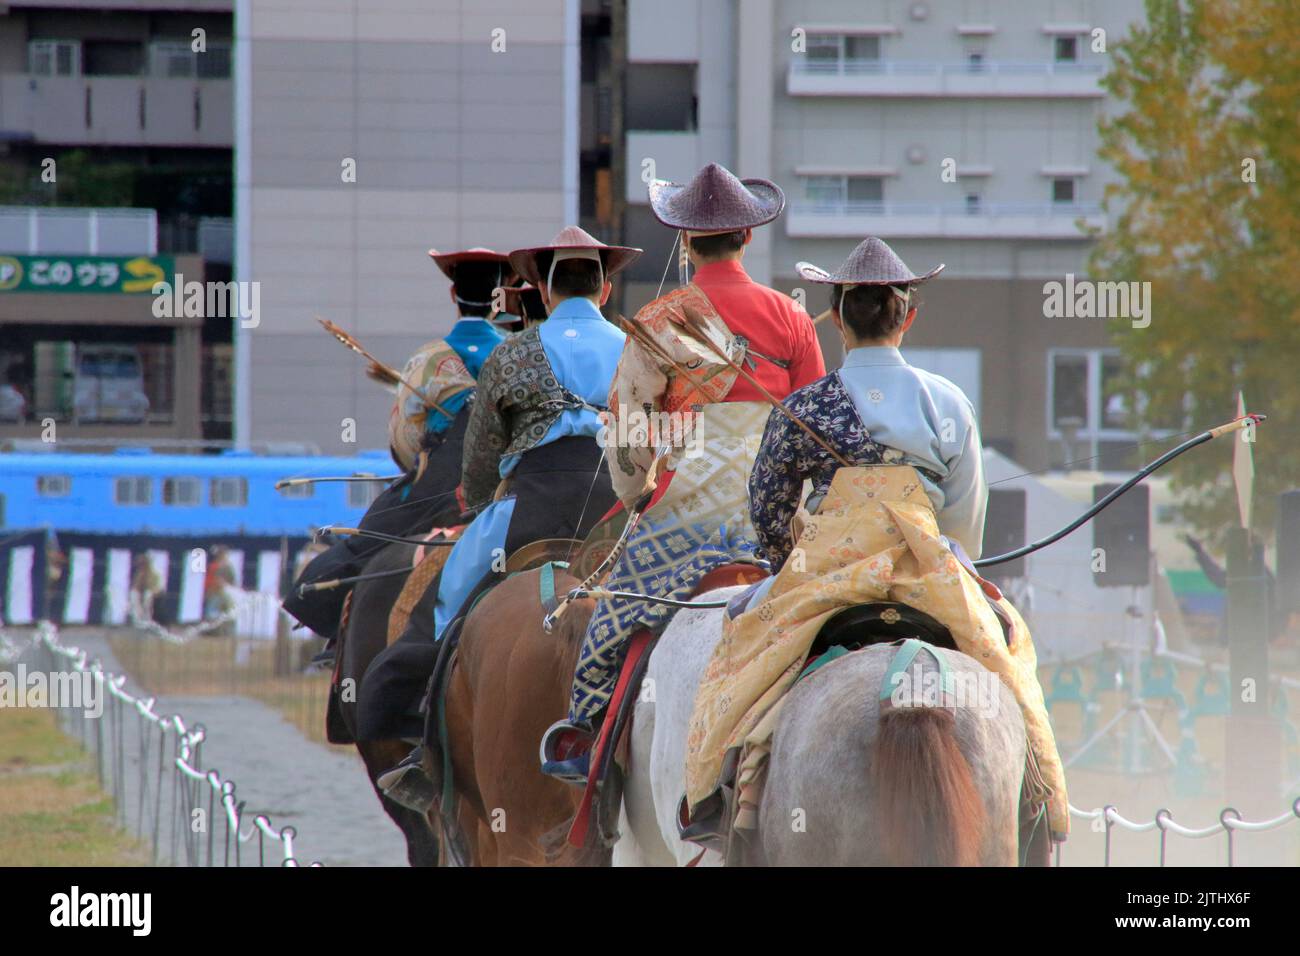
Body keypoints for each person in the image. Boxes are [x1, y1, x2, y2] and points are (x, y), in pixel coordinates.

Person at [681, 237, 1068, 855]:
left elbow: (769, 510)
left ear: (836, 318)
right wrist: (949, 562)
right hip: (929, 570)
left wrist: (789, 568)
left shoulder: (803, 407)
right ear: (907, 317)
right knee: (1008, 652)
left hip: (826, 571)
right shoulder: (947, 403)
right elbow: (967, 519)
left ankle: (717, 795)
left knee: (741, 652)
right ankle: (1042, 796)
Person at [541, 163, 826, 782]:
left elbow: (628, 438)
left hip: (683, 509)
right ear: (747, 238)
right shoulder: (794, 318)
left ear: (685, 241)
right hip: (776, 521)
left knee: (610, 624)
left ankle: (584, 732)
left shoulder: (660, 319)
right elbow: (814, 434)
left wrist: (638, 493)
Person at [362, 226, 642, 810]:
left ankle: (415, 744)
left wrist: (485, 500)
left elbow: (481, 469)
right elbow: (655, 447)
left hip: (528, 513)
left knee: (440, 613)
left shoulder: (511, 353)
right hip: (619, 515)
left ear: (540, 288)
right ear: (607, 288)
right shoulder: (639, 348)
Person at [283, 249, 514, 655]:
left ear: (453, 293)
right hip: (507, 487)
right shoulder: (516, 355)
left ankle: (337, 634)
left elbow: (405, 444)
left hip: (436, 493)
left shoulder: (427, 361)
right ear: (503, 294)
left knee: (362, 548)